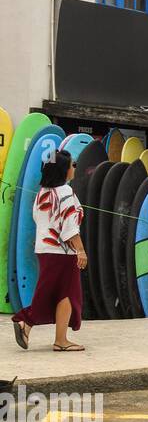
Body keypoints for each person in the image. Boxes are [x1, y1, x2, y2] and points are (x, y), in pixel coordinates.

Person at [11, 150, 88, 352]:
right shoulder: (65, 193)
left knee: (62, 293)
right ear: (64, 169)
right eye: (73, 165)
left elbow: (40, 220)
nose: (74, 168)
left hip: (44, 249)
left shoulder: (41, 194)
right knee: (66, 293)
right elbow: (70, 227)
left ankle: (59, 339)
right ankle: (27, 323)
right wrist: (81, 251)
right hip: (62, 252)